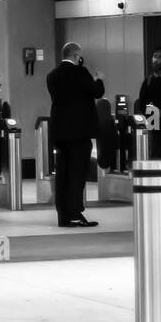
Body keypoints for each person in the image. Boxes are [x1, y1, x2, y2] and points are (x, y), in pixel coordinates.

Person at [46, 42, 105, 228]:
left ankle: (63, 215)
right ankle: (75, 213)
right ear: (76, 55)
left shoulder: (52, 75)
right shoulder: (80, 72)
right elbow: (97, 92)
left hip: (60, 132)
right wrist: (99, 79)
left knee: (63, 174)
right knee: (77, 174)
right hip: (79, 132)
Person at [135, 46, 161, 159]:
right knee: (156, 157)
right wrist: (153, 110)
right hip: (154, 127)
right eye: (154, 56)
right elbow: (142, 104)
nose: (155, 60)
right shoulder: (148, 81)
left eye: (159, 57)